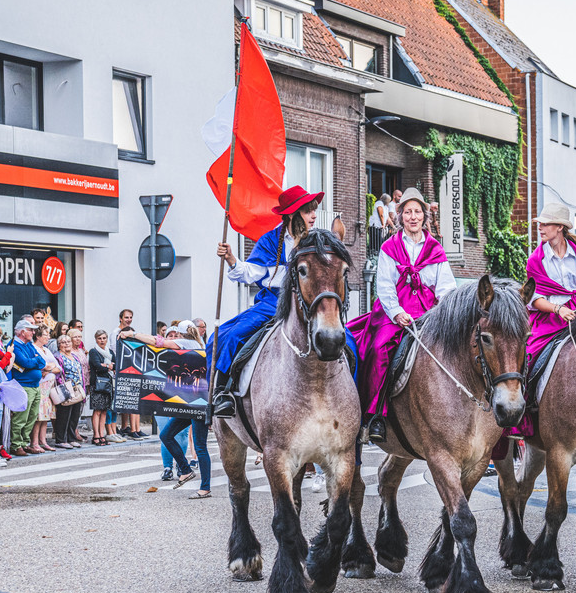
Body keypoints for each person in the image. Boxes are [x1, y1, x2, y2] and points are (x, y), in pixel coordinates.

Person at [349, 187, 456, 443]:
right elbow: (383, 286)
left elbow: (447, 288)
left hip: (429, 312)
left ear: (424, 216)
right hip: (394, 311)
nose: (413, 216)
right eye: (407, 212)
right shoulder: (389, 247)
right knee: (378, 348)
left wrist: (442, 314)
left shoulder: (436, 250)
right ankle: (375, 414)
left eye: (417, 211)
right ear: (400, 216)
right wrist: (397, 313)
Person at [210, 185, 327, 418]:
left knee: (349, 342)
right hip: (273, 303)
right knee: (230, 336)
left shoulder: (319, 241)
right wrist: (232, 259)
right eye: (308, 211)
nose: (314, 215)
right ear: (293, 214)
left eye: (314, 210)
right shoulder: (270, 241)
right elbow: (249, 273)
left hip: (312, 305)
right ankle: (222, 393)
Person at [123, 322, 212, 495]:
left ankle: (205, 488)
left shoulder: (187, 343)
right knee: (166, 435)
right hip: (189, 402)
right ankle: (185, 471)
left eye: (175, 335)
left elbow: (158, 342)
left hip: (197, 402)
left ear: (180, 334)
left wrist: (132, 335)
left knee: (200, 446)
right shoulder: (196, 343)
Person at [525, 202, 576, 365]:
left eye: (545, 224)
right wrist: (559, 310)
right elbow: (535, 299)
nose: (540, 228)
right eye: (539, 224)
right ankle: (526, 389)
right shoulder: (535, 260)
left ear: (559, 227)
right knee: (528, 356)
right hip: (550, 320)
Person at [7, 317, 48, 457]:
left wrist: (34, 360)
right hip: (23, 385)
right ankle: (16, 444)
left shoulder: (28, 344)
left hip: (35, 386)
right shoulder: (15, 345)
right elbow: (25, 363)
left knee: (32, 416)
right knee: (21, 417)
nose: (33, 333)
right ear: (22, 332)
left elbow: (42, 361)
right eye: (30, 330)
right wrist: (34, 360)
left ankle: (24, 443)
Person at [113, 309, 145, 438]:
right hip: (123, 369)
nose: (129, 319)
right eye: (126, 317)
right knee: (128, 401)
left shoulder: (131, 331)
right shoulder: (116, 332)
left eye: (130, 317)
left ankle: (134, 428)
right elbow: (115, 350)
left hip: (133, 369)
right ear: (120, 318)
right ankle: (128, 428)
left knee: (134, 401)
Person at [31, 327, 63, 453]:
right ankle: (34, 442)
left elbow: (58, 368)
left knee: (45, 416)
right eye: (45, 335)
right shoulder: (34, 348)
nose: (48, 337)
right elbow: (40, 366)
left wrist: (49, 369)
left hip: (49, 386)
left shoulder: (47, 350)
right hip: (40, 386)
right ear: (38, 336)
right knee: (38, 416)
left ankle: (43, 440)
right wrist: (49, 367)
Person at [53, 334, 85, 449]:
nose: (67, 344)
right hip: (66, 389)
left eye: (68, 341)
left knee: (75, 414)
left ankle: (71, 438)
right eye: (63, 342)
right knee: (64, 414)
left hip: (77, 388)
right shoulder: (58, 356)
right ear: (59, 345)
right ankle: (61, 439)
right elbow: (57, 374)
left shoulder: (74, 356)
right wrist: (64, 386)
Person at [88, 331, 116, 445]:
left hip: (108, 383)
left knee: (104, 410)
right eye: (99, 338)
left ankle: (102, 434)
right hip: (97, 383)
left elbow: (115, 365)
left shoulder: (110, 352)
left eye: (104, 338)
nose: (102, 340)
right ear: (96, 339)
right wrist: (106, 366)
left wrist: (107, 366)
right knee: (97, 410)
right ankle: (96, 435)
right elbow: (97, 366)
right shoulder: (93, 351)